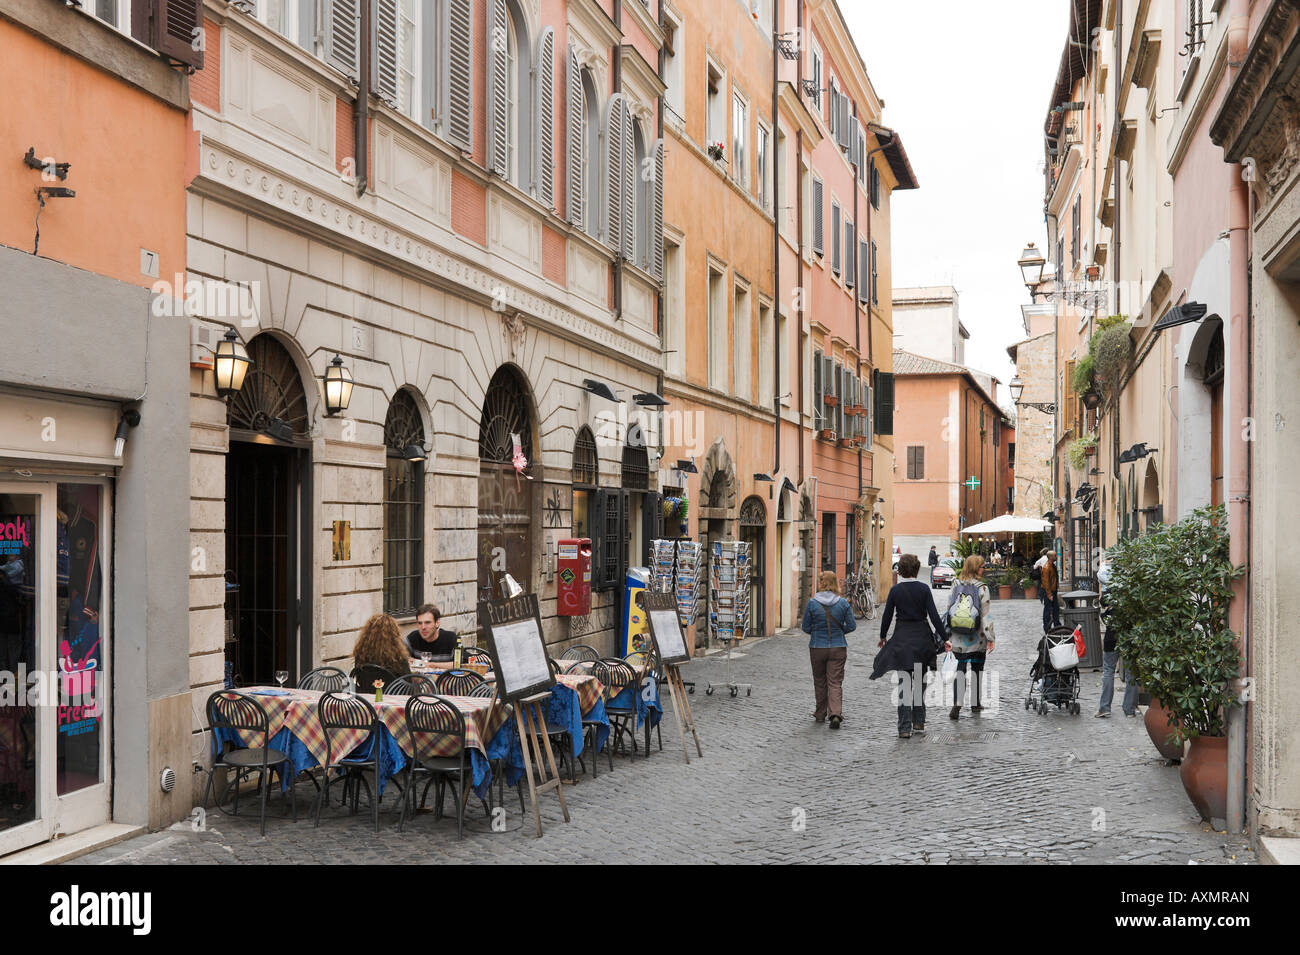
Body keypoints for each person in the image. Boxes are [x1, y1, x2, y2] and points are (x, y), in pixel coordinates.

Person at [872, 554, 947, 738]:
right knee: (920, 685)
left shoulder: (896, 591)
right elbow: (934, 616)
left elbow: (887, 616)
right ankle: (919, 722)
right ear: (916, 568)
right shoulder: (924, 589)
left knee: (904, 684)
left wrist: (883, 636)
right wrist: (945, 638)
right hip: (922, 641)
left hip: (903, 641)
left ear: (902, 570)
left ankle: (904, 727)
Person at [801, 571, 856, 730]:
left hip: (817, 647)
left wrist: (817, 633)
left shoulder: (812, 603)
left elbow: (805, 627)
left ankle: (820, 713)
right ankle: (836, 714)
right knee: (835, 682)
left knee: (819, 680)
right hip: (838, 647)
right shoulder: (843, 603)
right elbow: (851, 626)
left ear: (821, 583)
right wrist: (839, 633)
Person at [945, 555, 995, 720]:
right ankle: (975, 703)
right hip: (977, 637)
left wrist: (947, 634)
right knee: (977, 670)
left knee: (959, 670)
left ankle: (957, 702)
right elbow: (986, 616)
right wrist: (991, 638)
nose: (984, 569)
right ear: (976, 568)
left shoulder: (955, 584)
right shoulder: (982, 588)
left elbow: (949, 609)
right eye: (982, 566)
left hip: (958, 637)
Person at [1095, 561, 1138, 717]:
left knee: (1108, 670)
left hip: (1112, 634)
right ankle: (1129, 710)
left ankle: (1105, 708)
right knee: (1132, 671)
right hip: (1130, 633)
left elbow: (1103, 601)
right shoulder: (1134, 591)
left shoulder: (1109, 591)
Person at [352, 613, 411, 677]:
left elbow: (358, 676)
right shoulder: (398, 657)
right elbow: (407, 681)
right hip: (391, 687)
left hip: (365, 686)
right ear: (394, 635)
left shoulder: (361, 653)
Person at [1040, 551, 1061, 631]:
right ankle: (1047, 626)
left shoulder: (1052, 565)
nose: (1056, 556)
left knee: (1056, 608)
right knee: (1048, 609)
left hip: (1053, 590)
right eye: (1055, 555)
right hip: (1049, 591)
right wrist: (1049, 594)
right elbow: (1046, 582)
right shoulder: (1046, 567)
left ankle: (1056, 624)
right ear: (1050, 557)